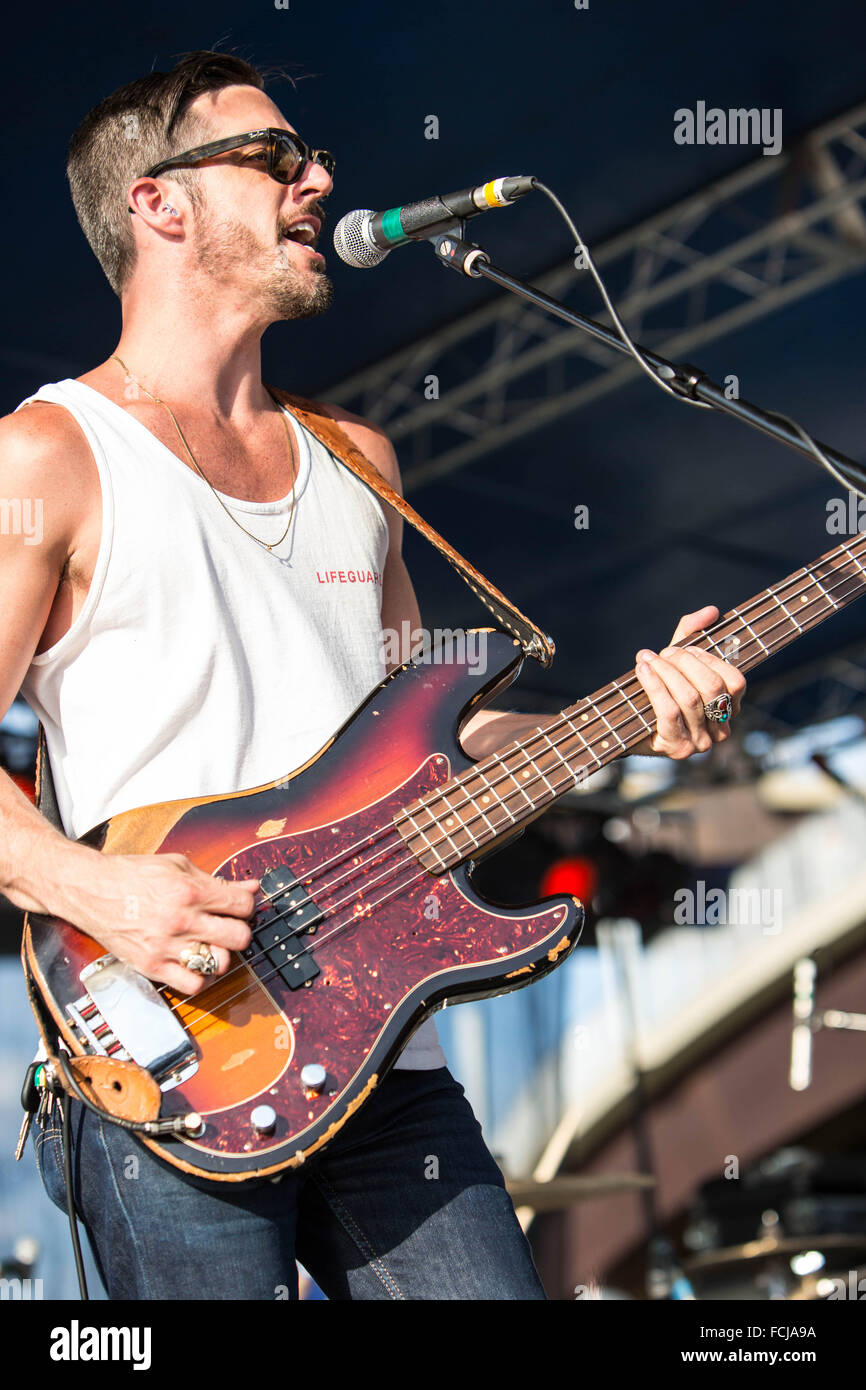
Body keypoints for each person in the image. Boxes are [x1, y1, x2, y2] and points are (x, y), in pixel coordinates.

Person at [0, 51, 746, 1299]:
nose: (323, 181)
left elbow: (422, 750)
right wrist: (102, 891)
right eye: (277, 158)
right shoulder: (50, 455)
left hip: (386, 1063)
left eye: (315, 158)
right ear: (158, 203)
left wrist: (629, 719)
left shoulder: (361, 461)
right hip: (171, 1048)